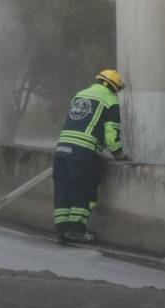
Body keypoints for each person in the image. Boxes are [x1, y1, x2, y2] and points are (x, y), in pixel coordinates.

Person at [53, 69, 129, 245]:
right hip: (83, 152)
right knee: (84, 189)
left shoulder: (81, 94)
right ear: (114, 87)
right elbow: (111, 133)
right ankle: (76, 230)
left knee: (63, 191)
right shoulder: (110, 100)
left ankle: (61, 231)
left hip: (61, 149)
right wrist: (118, 154)